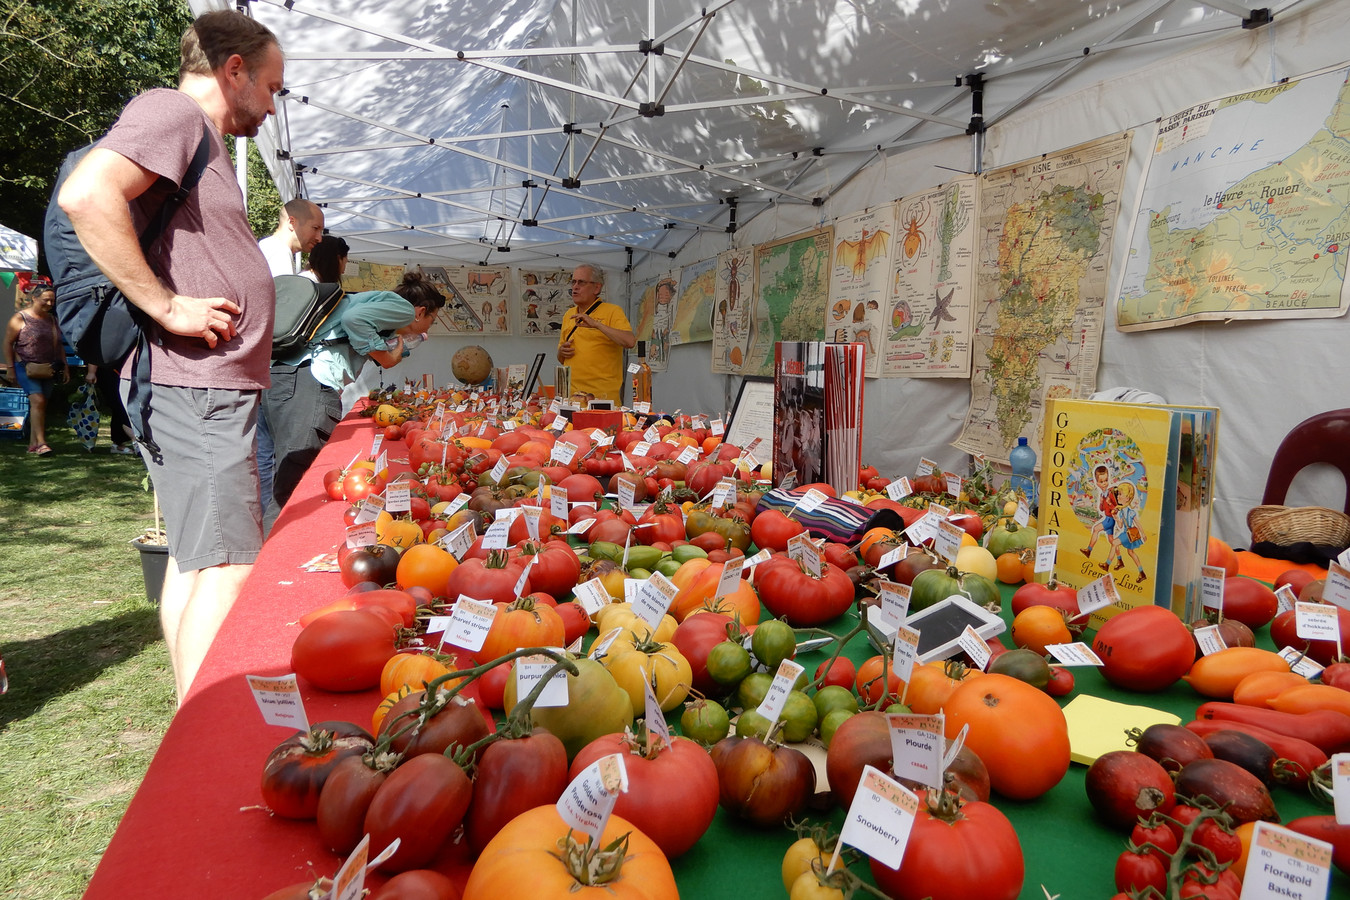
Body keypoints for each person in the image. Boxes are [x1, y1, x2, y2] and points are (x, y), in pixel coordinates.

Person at [57, 9, 284, 704]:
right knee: (226, 566)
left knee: (194, 562)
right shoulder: (173, 111)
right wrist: (166, 305)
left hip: (201, 388)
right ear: (233, 67)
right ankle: (208, 734)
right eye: (272, 87)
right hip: (194, 386)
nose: (274, 107)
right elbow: (86, 195)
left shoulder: (199, 138)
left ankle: (191, 726)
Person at [262, 270, 444, 531]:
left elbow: (353, 329)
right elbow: (353, 319)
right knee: (294, 485)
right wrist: (385, 356)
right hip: (307, 380)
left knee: (287, 475)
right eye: (432, 319)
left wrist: (390, 349)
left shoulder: (377, 305)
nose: (429, 327)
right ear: (421, 311)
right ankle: (271, 560)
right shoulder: (402, 309)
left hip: (285, 376)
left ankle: (272, 547)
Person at [256, 198, 324, 513]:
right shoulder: (273, 257)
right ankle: (265, 523)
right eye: (316, 228)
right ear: (292, 222)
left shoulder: (283, 258)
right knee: (267, 454)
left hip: (265, 368)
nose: (320, 237)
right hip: (265, 368)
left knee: (267, 452)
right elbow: (282, 323)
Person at [3, 285, 69, 455]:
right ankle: (41, 444)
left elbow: (58, 345)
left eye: (52, 300)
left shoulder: (52, 319)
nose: (49, 303)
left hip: (48, 368)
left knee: (40, 405)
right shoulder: (20, 318)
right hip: (26, 367)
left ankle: (32, 444)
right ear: (34, 298)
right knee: (38, 401)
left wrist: (65, 366)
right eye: (45, 299)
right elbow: (8, 343)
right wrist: (11, 368)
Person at [556, 264, 635, 405]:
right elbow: (561, 359)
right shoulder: (569, 314)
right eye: (573, 282)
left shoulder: (612, 311)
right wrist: (562, 352)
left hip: (602, 398)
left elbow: (629, 341)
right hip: (572, 398)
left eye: (581, 282)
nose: (575, 287)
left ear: (597, 288)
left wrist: (597, 324)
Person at [258, 198, 324, 276]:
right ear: (291, 223)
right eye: (315, 228)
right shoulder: (279, 252)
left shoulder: (269, 246)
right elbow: (283, 288)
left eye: (321, 231)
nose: (319, 239)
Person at [86, 362, 136, 453]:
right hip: (108, 370)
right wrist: (91, 372)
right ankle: (136, 441)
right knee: (120, 406)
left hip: (124, 369)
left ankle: (118, 444)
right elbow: (96, 351)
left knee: (120, 407)